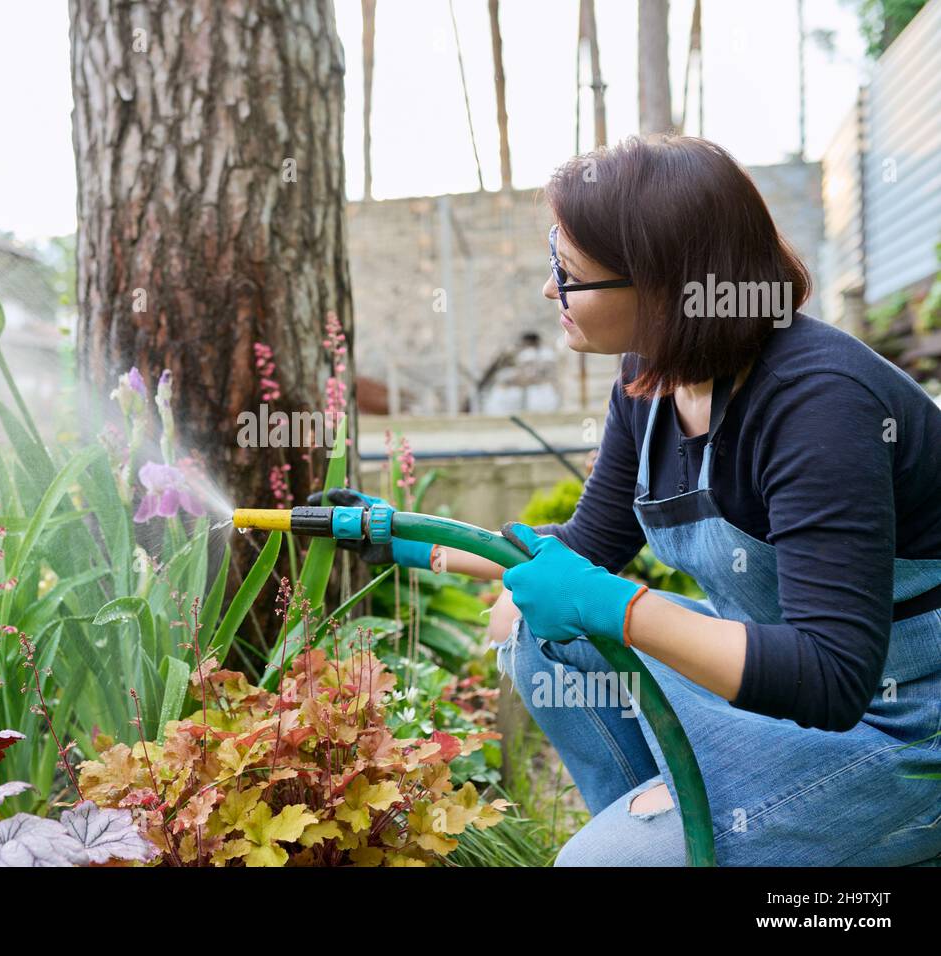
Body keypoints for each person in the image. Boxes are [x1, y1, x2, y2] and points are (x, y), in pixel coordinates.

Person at [358, 135, 941, 866]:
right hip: (799, 692)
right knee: (546, 635)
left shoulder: (819, 409)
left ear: (660, 287)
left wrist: (624, 610)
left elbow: (829, 677)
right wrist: (411, 540)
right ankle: (670, 829)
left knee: (594, 865)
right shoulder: (654, 378)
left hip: (907, 724)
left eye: (567, 274)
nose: (549, 292)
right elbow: (588, 546)